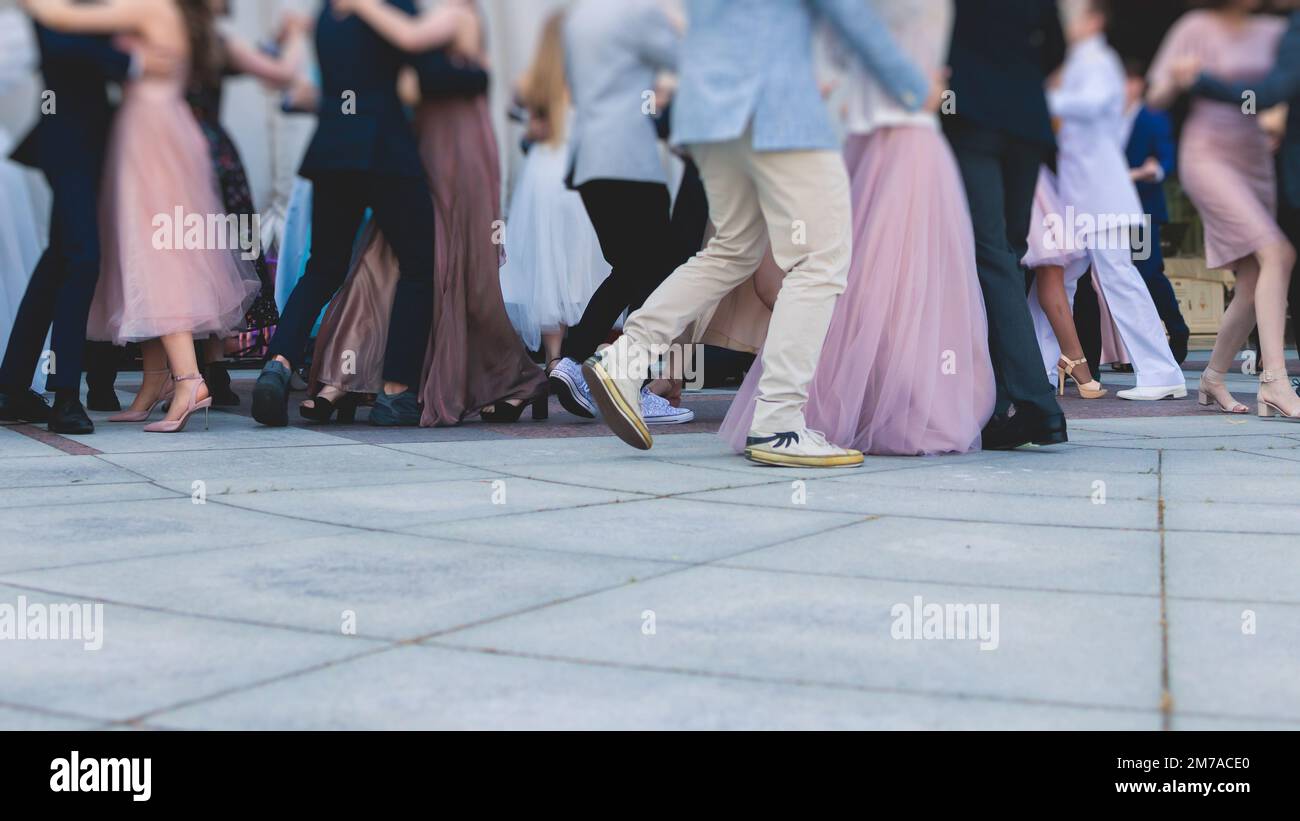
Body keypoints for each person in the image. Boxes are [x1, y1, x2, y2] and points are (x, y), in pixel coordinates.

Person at [583, 0, 936, 468]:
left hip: (711, 112)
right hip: (777, 108)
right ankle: (779, 422)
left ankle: (624, 360)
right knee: (819, 259)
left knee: (730, 251)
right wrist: (914, 86)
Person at [718, 0, 995, 456]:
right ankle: (849, 407)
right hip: (868, 136)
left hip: (893, 137)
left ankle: (870, 405)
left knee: (882, 282)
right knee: (859, 281)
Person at [23, 0, 262, 434]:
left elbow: (65, 20)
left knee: (158, 253)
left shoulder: (149, 5)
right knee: (146, 250)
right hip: (151, 131)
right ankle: (155, 383)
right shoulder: (170, 12)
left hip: (150, 137)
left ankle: (188, 382)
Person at [305, 0, 547, 426]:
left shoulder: (455, 15)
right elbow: (410, 78)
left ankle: (511, 379)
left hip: (454, 149)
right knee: (384, 256)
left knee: (451, 268)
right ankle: (346, 378)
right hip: (416, 146)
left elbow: (411, 53)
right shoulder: (424, 15)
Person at [251, 0, 484, 427]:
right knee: (418, 266)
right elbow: (428, 69)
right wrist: (475, 75)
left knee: (322, 267)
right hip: (384, 148)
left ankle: (278, 364)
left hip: (332, 148)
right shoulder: (388, 7)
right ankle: (395, 393)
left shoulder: (328, 14)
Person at [0, 2, 181, 434]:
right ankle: (65, 396)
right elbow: (60, 43)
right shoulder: (57, 8)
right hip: (66, 141)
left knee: (58, 259)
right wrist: (134, 61)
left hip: (94, 140)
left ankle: (10, 386)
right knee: (82, 257)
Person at [543, 0, 697, 427]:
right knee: (656, 269)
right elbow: (691, 56)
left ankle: (572, 361)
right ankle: (634, 384)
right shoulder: (640, 11)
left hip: (590, 158)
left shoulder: (582, 15)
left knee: (631, 268)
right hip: (628, 160)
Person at [1029, 0, 1187, 402]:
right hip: (1079, 192)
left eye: (1074, 16)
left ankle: (1160, 371)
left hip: (1099, 192)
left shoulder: (1097, 60)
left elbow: (1097, 105)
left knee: (1118, 276)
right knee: (1057, 278)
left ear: (1095, 20)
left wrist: (1040, 100)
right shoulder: (1075, 60)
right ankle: (1041, 369)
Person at [1149, 0, 1299, 418]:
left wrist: (1277, 119)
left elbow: (1280, 88)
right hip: (1208, 155)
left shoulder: (1272, 30)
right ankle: (1274, 382)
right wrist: (1178, 81)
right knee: (1279, 254)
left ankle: (1213, 377)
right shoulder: (1195, 25)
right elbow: (1156, 95)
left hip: (1256, 158)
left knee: (1253, 278)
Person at [943, 0, 1069, 450]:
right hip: (1025, 117)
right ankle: (1001, 406)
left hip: (971, 114)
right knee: (1008, 255)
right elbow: (1055, 48)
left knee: (992, 254)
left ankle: (1037, 405)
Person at [187, 1, 312, 406]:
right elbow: (279, 74)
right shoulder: (211, 40)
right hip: (212, 159)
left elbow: (254, 59)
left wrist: (272, 44)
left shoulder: (176, 35)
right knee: (224, 259)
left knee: (188, 256)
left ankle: (187, 371)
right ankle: (213, 368)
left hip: (172, 156)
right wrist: (295, 38)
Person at [1187, 0, 1300, 362]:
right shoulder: (1199, 27)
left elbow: (1266, 94)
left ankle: (1266, 379)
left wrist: (1203, 82)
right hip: (1225, 157)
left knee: (1274, 262)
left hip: (1260, 161)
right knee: (1266, 267)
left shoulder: (1284, 29)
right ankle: (1239, 377)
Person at [498, 10, 611, 369]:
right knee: (577, 260)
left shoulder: (530, 83)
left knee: (545, 264)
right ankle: (581, 355)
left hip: (543, 175)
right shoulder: (595, 77)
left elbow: (533, 131)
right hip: (581, 172)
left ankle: (552, 357)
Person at [1124, 58, 1189, 364]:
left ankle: (1176, 329)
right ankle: (1126, 348)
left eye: (1128, 80)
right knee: (1109, 278)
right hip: (1105, 207)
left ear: (1138, 84)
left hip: (1143, 208)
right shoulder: (1106, 116)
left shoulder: (1152, 116)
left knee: (1147, 271)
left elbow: (1166, 158)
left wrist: (1154, 169)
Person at [1023, 167, 1108, 399]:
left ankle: (1049, 369)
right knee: (1055, 269)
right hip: (1038, 179)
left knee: (1063, 271)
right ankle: (1071, 360)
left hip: (1056, 183)